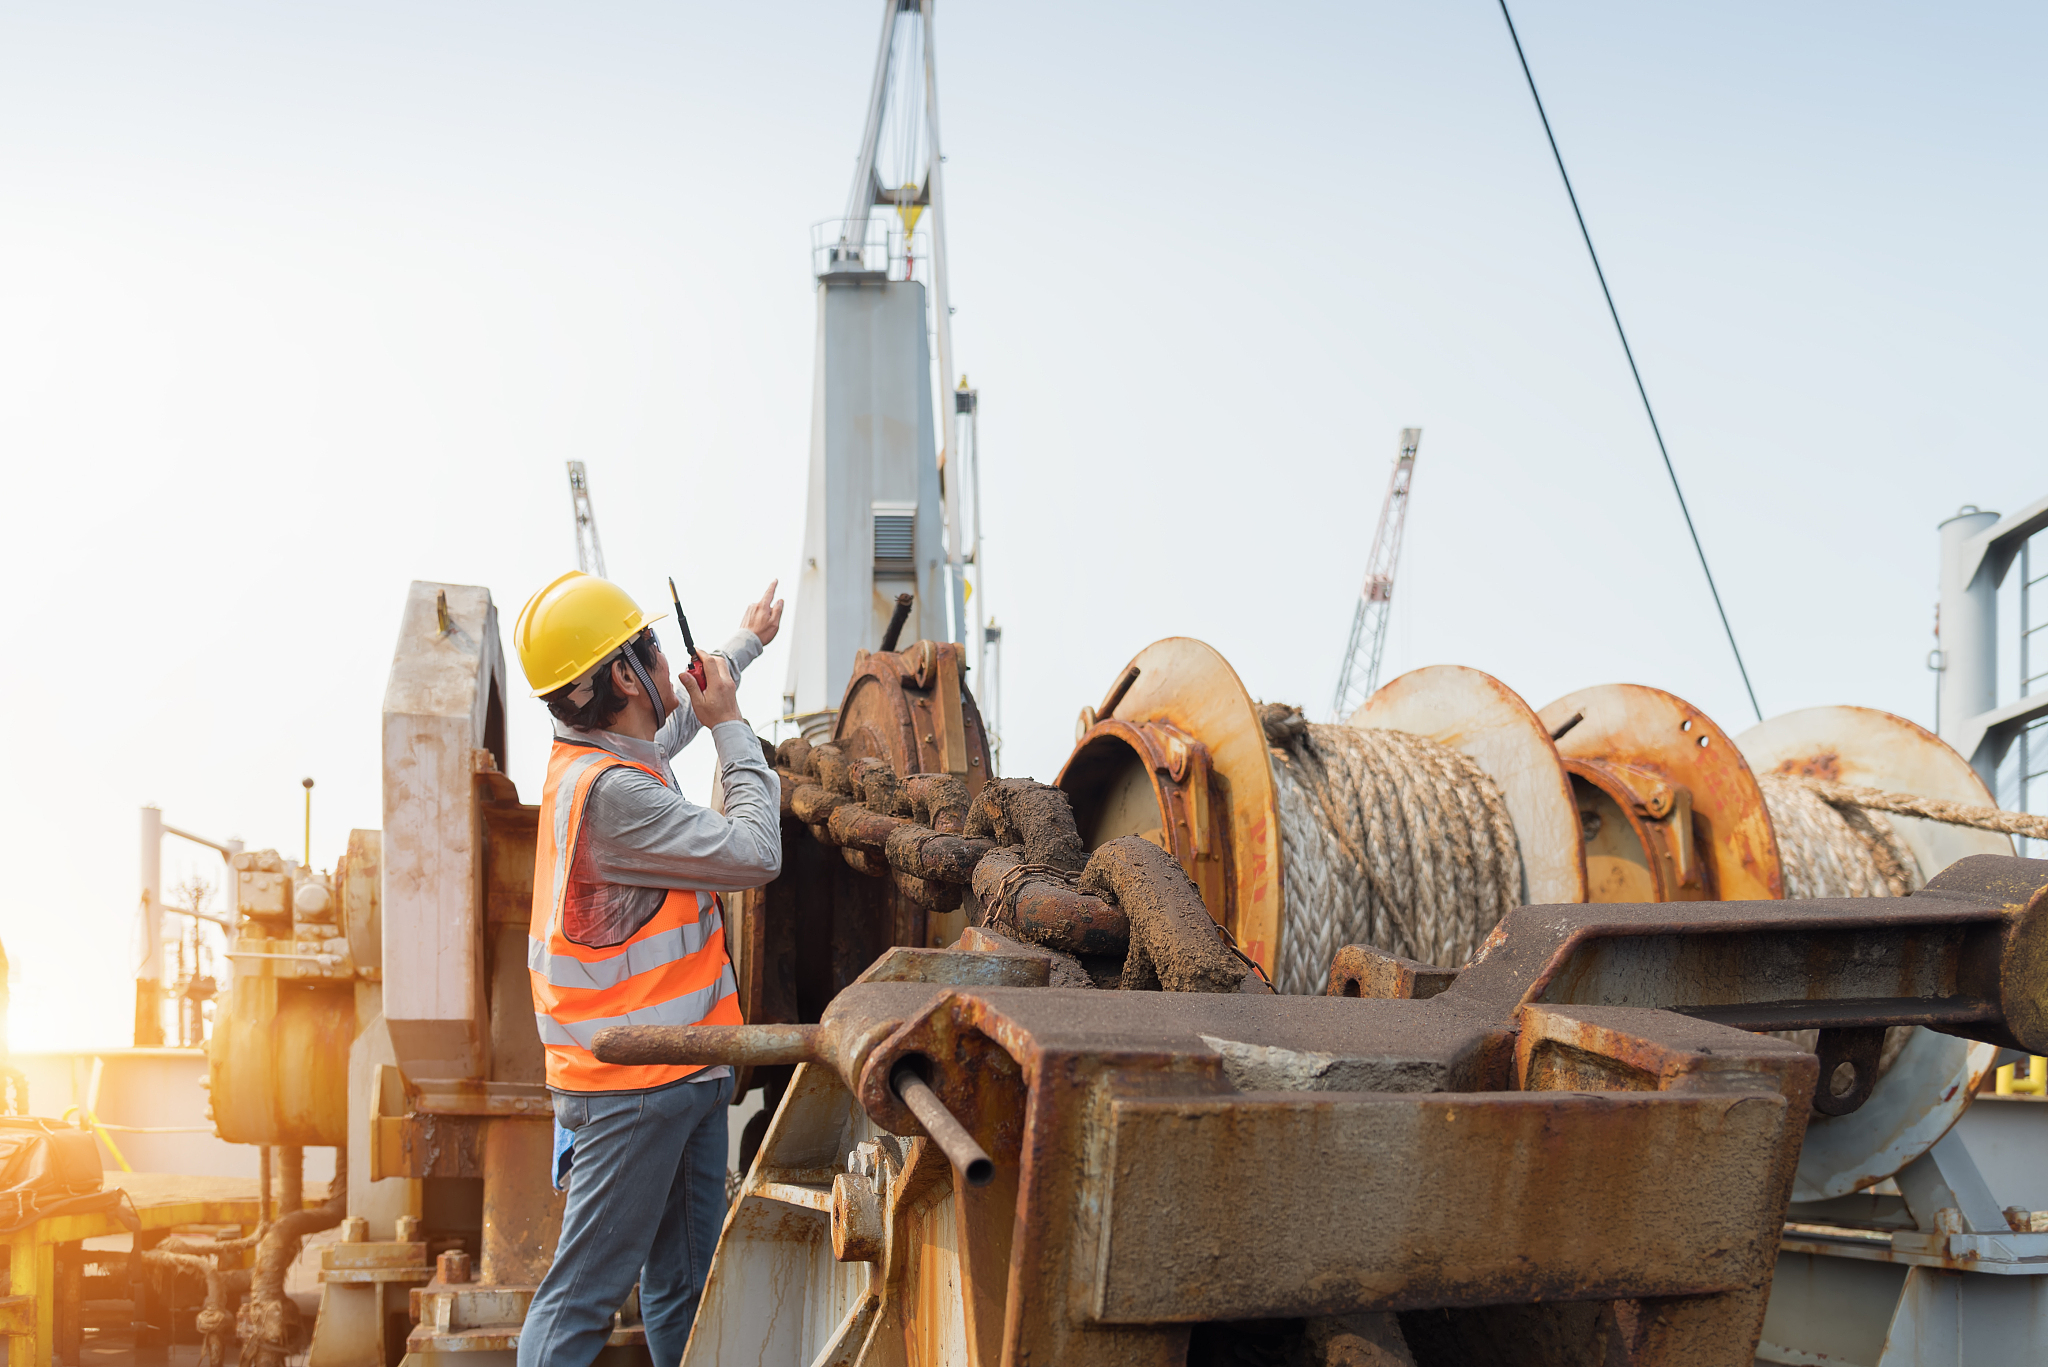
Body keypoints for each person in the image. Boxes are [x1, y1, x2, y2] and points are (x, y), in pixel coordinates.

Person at [510, 569, 784, 1367]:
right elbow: (757, 853)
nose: (672, 659)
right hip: (630, 1086)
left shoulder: (604, 755)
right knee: (581, 1297)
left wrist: (743, 648)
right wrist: (733, 725)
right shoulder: (613, 797)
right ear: (626, 675)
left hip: (681, 1068)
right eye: (659, 646)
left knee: (682, 1286)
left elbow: (666, 731)